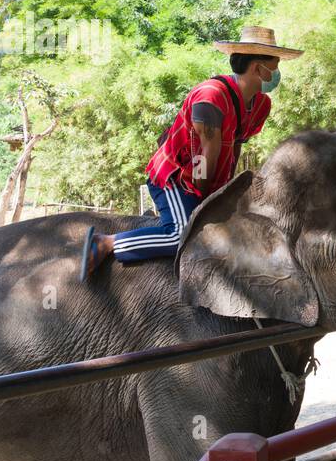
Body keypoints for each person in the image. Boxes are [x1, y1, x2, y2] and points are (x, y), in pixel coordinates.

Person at [80, 26, 300, 280]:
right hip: (179, 177)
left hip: (211, 180)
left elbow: (237, 142)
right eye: (274, 65)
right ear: (257, 68)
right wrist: (201, 196)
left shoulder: (261, 104)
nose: (277, 73)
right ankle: (106, 243)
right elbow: (204, 155)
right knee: (181, 237)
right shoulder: (210, 97)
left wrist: (228, 190)